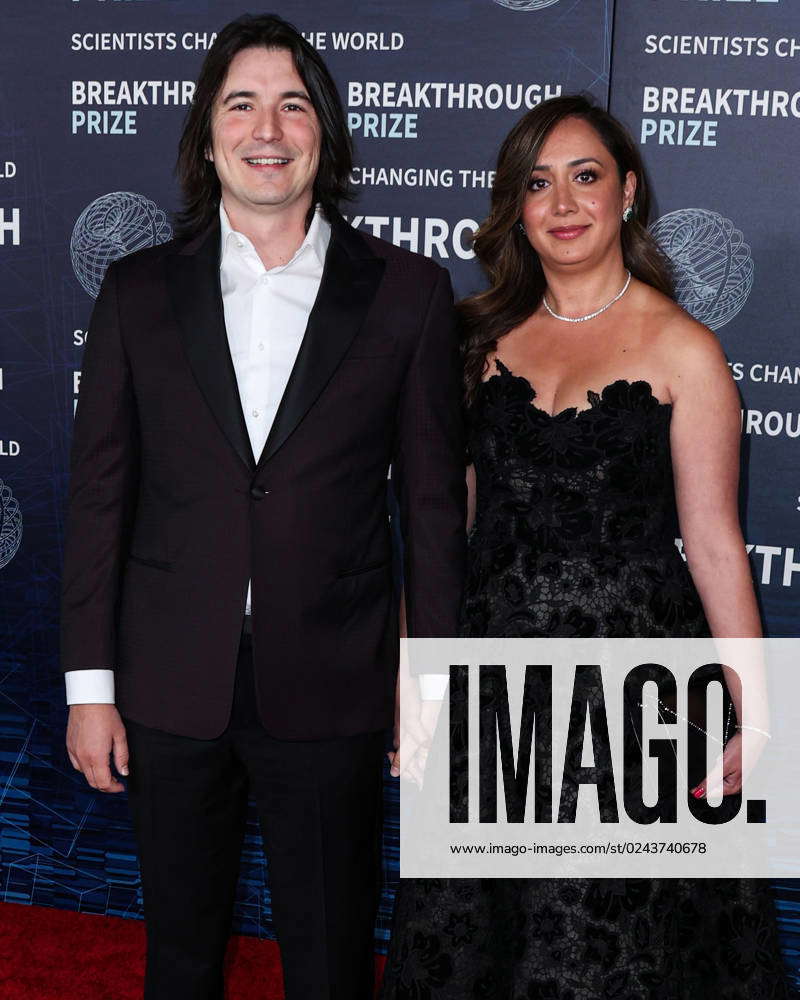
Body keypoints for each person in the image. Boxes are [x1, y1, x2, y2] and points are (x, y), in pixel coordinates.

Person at [60, 14, 466, 1000]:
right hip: (167, 686)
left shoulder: (407, 294)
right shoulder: (137, 291)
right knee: (181, 957)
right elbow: (98, 496)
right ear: (207, 135)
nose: (267, 128)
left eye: (292, 104)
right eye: (240, 103)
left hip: (333, 684)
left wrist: (430, 685)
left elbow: (429, 506)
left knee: (328, 963)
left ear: (322, 133)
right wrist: (88, 688)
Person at [380, 95, 790, 998]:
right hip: (493, 690)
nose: (563, 203)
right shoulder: (474, 342)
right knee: (477, 940)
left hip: (630, 697)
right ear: (515, 209)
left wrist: (759, 719)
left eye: (586, 176)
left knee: (606, 950)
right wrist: (416, 673)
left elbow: (716, 541)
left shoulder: (686, 349)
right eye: (538, 183)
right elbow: (447, 531)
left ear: (628, 193)